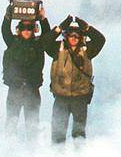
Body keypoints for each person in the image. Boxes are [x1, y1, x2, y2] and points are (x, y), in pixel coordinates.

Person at [42, 15, 105, 144]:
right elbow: (44, 43)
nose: (74, 38)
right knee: (58, 133)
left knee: (79, 132)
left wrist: (87, 28)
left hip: (80, 98)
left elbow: (100, 40)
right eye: (71, 35)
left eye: (77, 35)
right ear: (66, 36)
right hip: (61, 97)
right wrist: (59, 28)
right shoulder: (57, 48)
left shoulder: (87, 49)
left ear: (81, 37)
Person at [1, 5, 48, 136]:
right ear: (18, 30)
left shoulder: (38, 44)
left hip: (32, 90)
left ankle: (32, 152)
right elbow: (5, 31)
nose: (26, 31)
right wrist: (7, 17)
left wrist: (43, 19)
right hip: (15, 88)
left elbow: (47, 35)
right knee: (11, 123)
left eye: (30, 28)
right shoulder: (12, 42)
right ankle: (8, 150)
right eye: (23, 28)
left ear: (34, 29)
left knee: (32, 124)